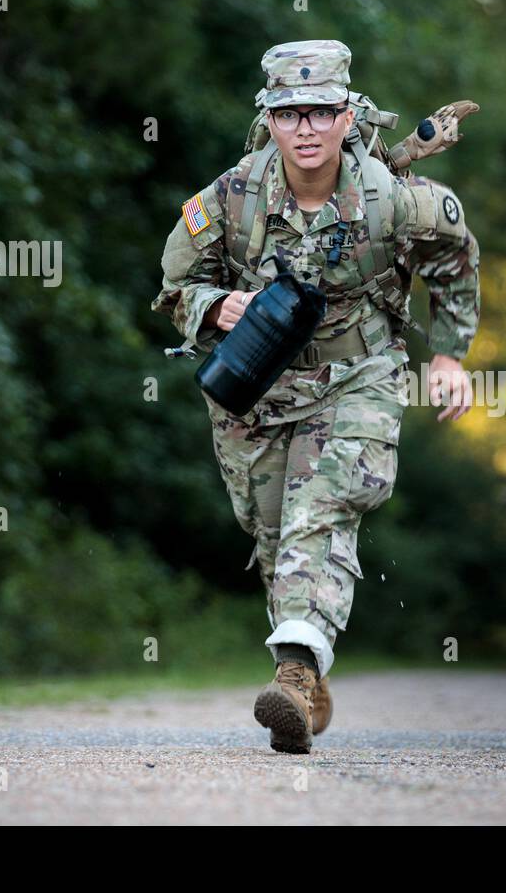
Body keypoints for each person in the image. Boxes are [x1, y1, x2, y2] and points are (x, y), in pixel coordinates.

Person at [151, 39, 481, 753]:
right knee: (273, 535)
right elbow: (173, 285)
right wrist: (214, 307)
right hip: (258, 389)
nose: (305, 127)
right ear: (268, 119)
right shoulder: (232, 197)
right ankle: (304, 672)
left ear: (346, 115)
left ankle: (295, 674)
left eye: (321, 112)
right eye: (289, 112)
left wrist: (450, 352)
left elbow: (456, 252)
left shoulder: (392, 197)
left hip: (361, 373)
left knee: (320, 509)